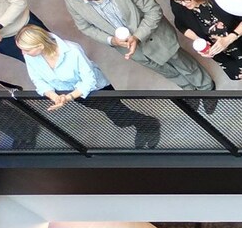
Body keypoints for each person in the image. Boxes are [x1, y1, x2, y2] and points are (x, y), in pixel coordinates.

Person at [13, 26, 160, 147]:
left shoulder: (72, 51)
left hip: (95, 89)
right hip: (72, 94)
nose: (23, 53)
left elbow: (89, 80)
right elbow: (37, 79)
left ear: (40, 45)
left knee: (119, 118)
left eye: (26, 49)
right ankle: (145, 125)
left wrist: (68, 97)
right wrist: (54, 95)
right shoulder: (30, 56)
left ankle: (149, 124)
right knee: (117, 114)